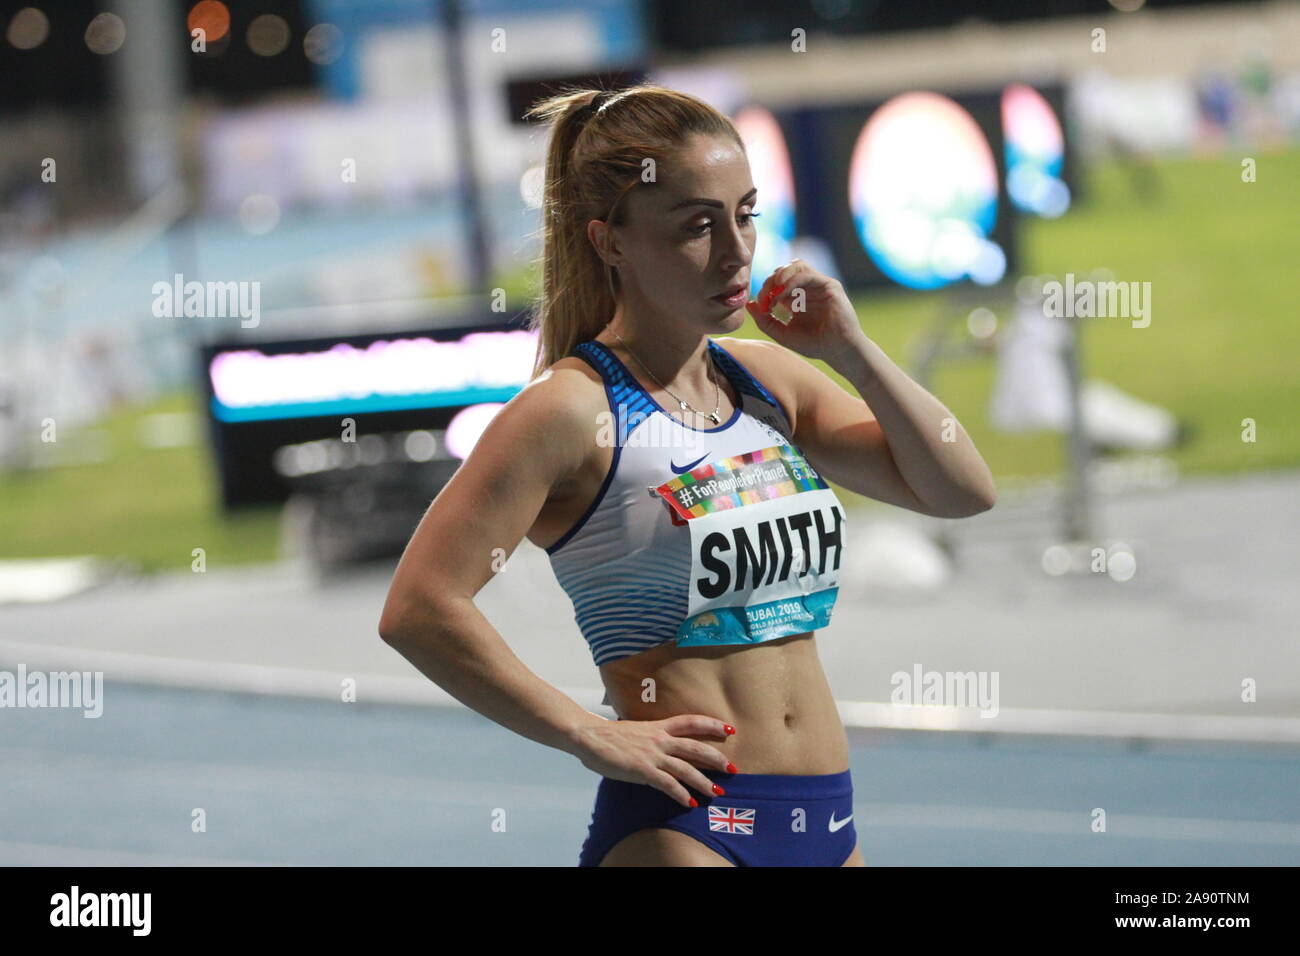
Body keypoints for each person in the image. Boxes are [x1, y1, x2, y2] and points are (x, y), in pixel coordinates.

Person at [378, 85, 996, 866]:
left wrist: (850, 351)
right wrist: (586, 732)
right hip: (686, 827)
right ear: (610, 241)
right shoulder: (569, 411)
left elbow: (961, 491)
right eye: (698, 226)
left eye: (746, 214)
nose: (736, 251)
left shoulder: (767, 383)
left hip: (825, 820)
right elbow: (419, 607)